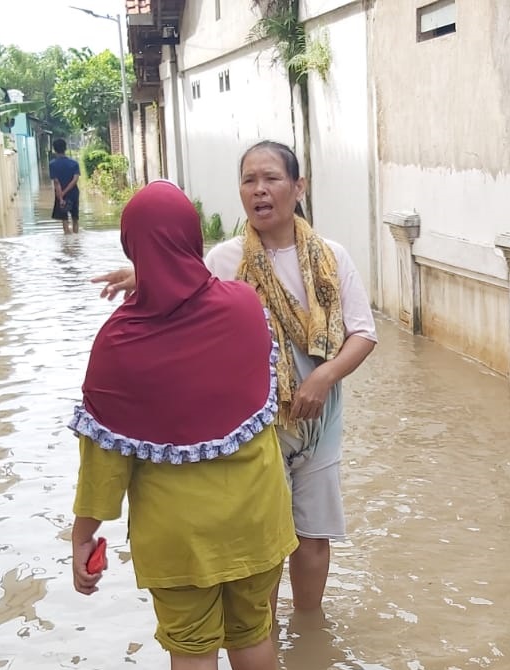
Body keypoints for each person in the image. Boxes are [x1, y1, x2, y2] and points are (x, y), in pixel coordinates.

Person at [94, 141, 376, 616]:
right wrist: (141, 274)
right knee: (264, 540)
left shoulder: (333, 258)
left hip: (319, 417)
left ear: (298, 187)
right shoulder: (226, 260)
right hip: (256, 419)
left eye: (271, 179)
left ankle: (309, 627)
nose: (260, 190)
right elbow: (181, 285)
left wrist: (324, 377)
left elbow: (363, 334)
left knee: (314, 532)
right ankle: (262, 637)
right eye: (249, 181)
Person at [69, 181, 297, 670]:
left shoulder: (120, 343)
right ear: (193, 239)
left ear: (131, 249)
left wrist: (83, 533)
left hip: (178, 539)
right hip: (255, 516)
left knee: (192, 650)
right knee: (252, 632)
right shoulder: (245, 308)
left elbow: (105, 460)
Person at [49, 138, 81, 234]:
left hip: (60, 194)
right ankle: (76, 242)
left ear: (54, 150)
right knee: (75, 218)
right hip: (74, 193)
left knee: (64, 219)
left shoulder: (52, 164)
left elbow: (56, 182)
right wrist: (66, 191)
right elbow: (75, 180)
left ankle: (67, 244)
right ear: (65, 148)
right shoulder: (74, 163)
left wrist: (61, 196)